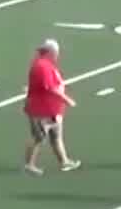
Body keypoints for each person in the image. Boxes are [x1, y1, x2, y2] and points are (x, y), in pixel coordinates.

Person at [22, 39, 80, 174]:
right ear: (51, 52)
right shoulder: (42, 66)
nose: (58, 54)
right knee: (38, 137)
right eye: (56, 52)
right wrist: (66, 99)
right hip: (42, 110)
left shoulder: (45, 64)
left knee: (56, 136)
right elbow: (50, 88)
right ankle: (29, 165)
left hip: (52, 109)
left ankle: (64, 161)